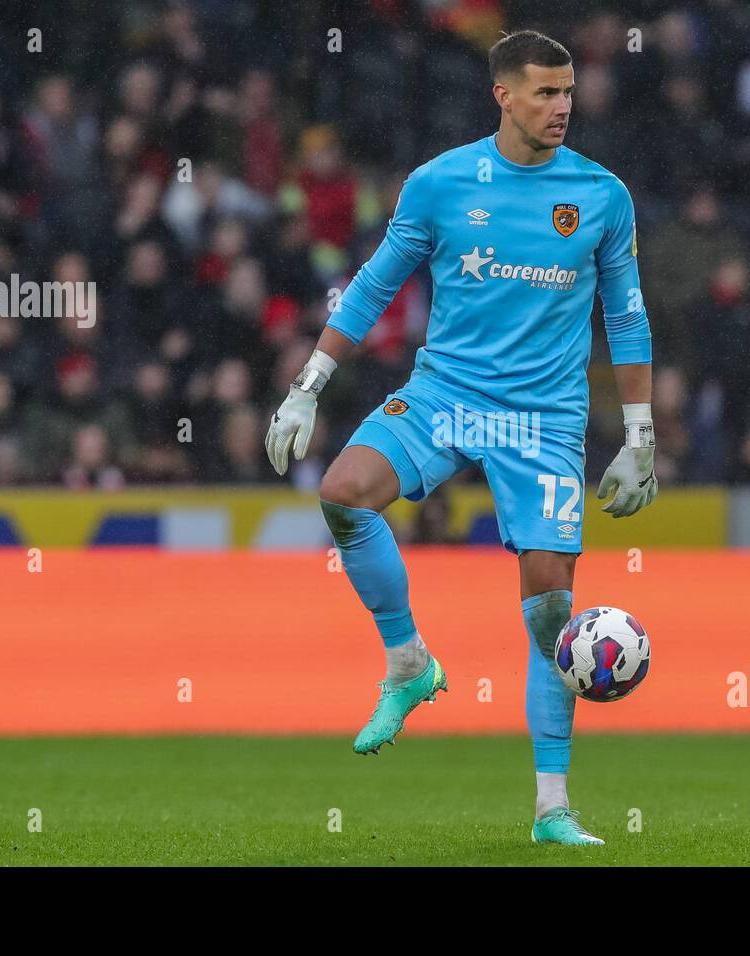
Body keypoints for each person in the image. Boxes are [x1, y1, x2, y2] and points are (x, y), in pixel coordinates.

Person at [263, 31, 655, 847]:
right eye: (545, 93)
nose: (562, 107)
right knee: (342, 492)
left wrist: (640, 433)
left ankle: (552, 809)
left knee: (552, 617)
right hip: (446, 393)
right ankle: (409, 662)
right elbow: (373, 286)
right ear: (502, 96)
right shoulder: (441, 183)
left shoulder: (602, 195)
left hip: (546, 419)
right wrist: (307, 388)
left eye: (569, 92)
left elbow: (625, 316)